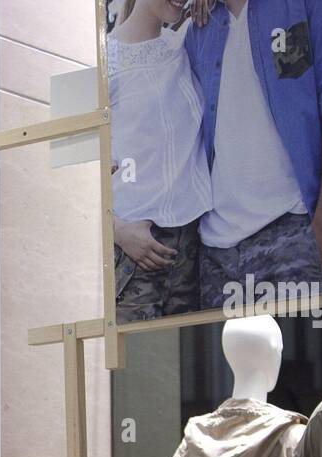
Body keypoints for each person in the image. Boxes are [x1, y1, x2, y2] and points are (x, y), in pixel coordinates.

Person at [185, 0, 322, 310]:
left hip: (293, 230)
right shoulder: (198, 26)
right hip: (215, 249)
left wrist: (321, 231)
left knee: (299, 357)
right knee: (219, 360)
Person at [109, 0, 213, 324]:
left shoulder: (185, 44)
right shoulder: (104, 61)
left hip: (194, 250)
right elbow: (70, 169)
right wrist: (116, 230)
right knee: (136, 369)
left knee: (191, 370)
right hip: (132, 254)